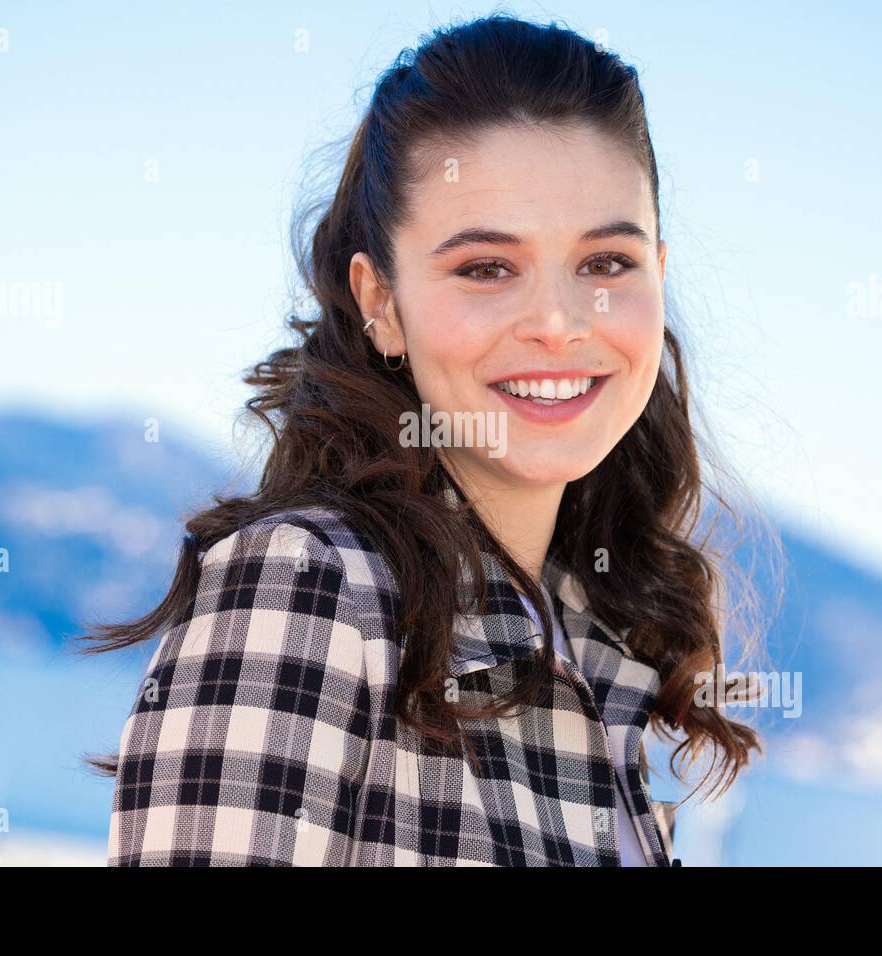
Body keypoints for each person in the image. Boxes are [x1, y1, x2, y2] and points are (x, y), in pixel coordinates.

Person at [79, 13, 768, 867]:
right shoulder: (307, 590)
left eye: (605, 264)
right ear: (381, 302)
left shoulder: (600, 645)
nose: (558, 323)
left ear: (657, 277)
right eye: (487, 268)